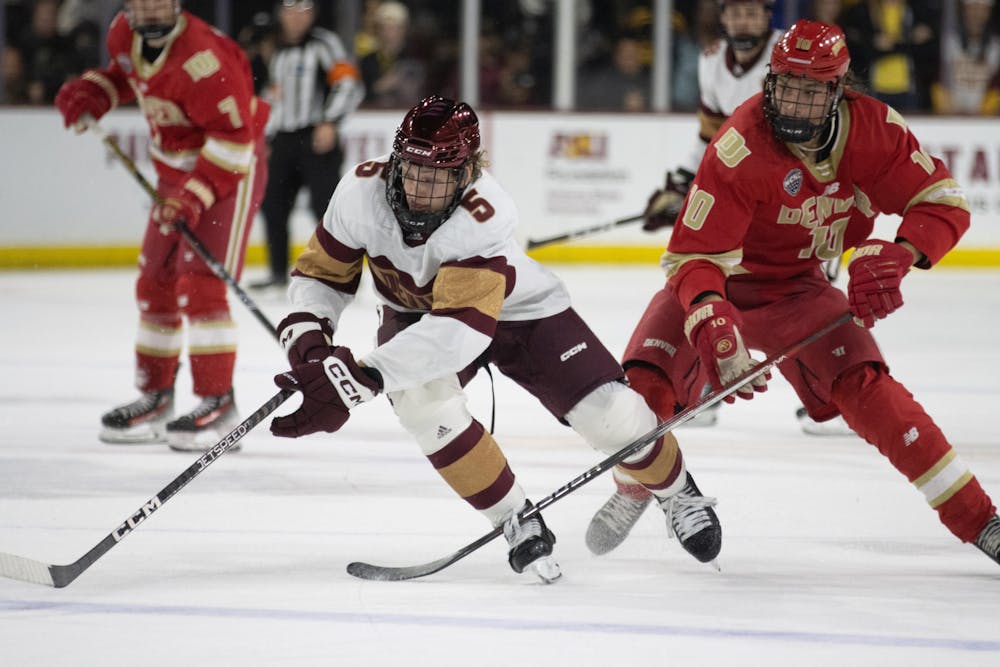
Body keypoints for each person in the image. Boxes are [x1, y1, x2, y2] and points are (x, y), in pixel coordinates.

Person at [591, 20, 1000, 566]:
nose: (795, 102)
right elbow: (692, 257)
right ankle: (646, 485)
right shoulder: (739, 145)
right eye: (787, 86)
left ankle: (981, 520)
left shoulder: (874, 130)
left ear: (838, 90)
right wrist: (712, 320)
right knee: (640, 393)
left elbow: (942, 199)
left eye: (811, 90)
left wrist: (902, 253)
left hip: (800, 290)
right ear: (770, 82)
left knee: (873, 391)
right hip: (724, 283)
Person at [267, 95, 723, 582]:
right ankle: (514, 518)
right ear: (396, 160)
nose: (421, 189)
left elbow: (457, 333)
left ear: (467, 174)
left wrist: (363, 375)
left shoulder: (485, 214)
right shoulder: (360, 191)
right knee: (424, 408)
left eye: (438, 176)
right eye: (413, 170)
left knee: (613, 415)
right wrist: (312, 349)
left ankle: (678, 492)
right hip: (415, 315)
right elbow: (321, 276)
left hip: (520, 314)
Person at [54, 0, 269, 451]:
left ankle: (218, 402)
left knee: (201, 283)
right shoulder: (122, 35)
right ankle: (155, 396)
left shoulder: (205, 60)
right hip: (174, 177)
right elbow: (125, 75)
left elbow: (236, 139)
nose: (149, 9)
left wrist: (194, 196)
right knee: (155, 283)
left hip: (230, 172)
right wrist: (94, 91)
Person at [250, 0, 363, 291]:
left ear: (313, 14)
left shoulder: (324, 44)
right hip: (283, 140)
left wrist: (330, 121)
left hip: (316, 137)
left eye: (304, 9)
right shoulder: (270, 45)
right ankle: (277, 273)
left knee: (326, 208)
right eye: (290, 8)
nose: (297, 16)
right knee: (273, 205)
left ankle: (339, 273)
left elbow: (348, 82)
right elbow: (265, 94)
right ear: (280, 13)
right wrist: (268, 134)